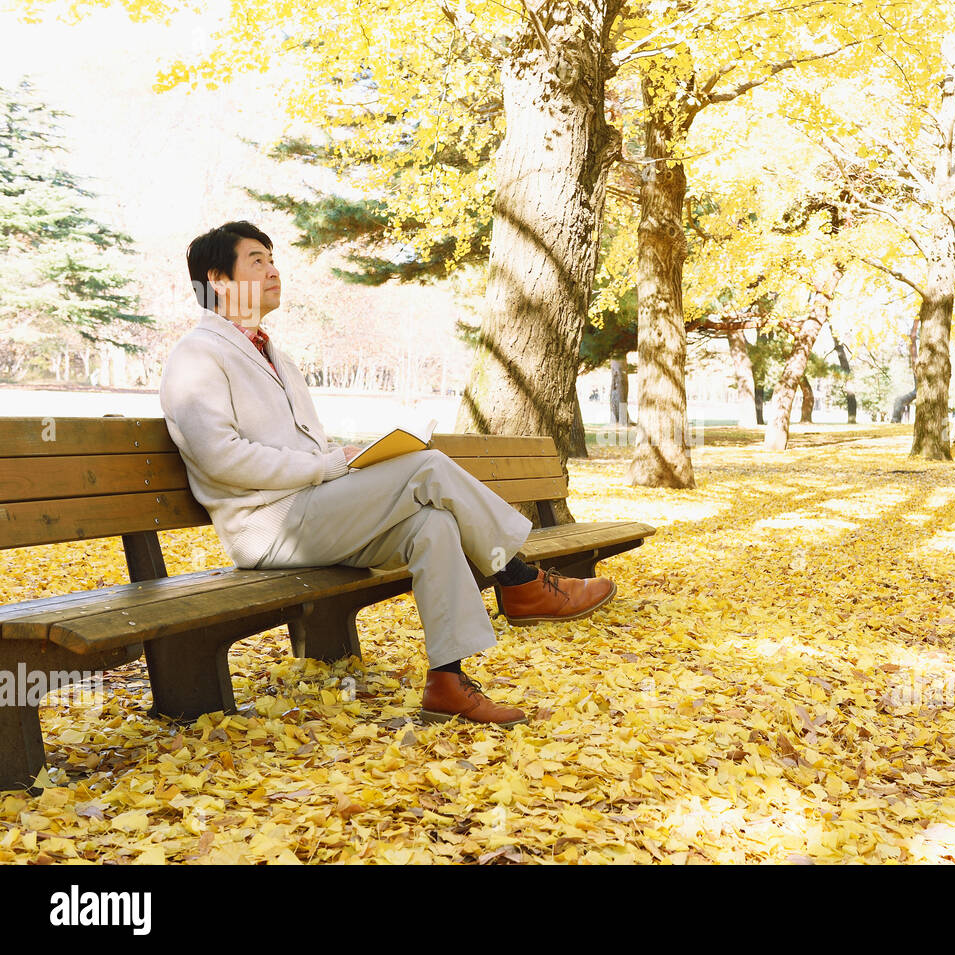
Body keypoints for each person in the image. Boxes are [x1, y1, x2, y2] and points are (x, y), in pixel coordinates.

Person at [159, 221, 616, 728]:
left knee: (433, 526)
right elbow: (220, 457)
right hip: (265, 526)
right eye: (257, 261)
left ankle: (447, 681)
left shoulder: (275, 355)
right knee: (426, 465)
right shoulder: (197, 355)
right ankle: (519, 579)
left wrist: (347, 456)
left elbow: (301, 446)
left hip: (312, 514)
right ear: (219, 281)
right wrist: (326, 466)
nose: (274, 270)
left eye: (273, 258)